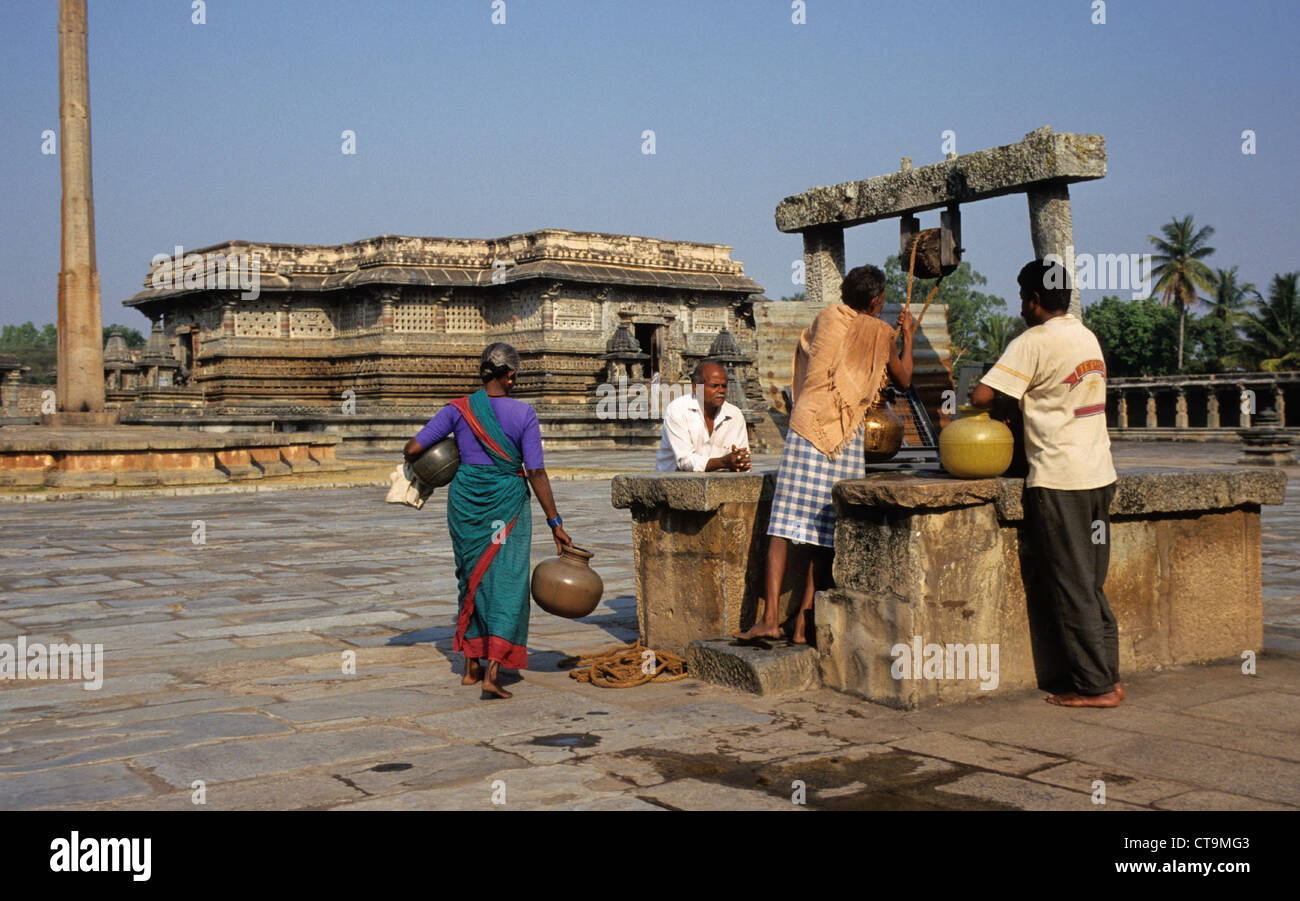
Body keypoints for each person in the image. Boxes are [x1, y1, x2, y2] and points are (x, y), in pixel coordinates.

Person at [971, 259, 1123, 708]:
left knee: (1070, 585)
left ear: (1035, 301)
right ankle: (1108, 677)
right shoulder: (1086, 336)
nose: (1021, 307)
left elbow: (982, 395)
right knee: (1091, 584)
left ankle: (1094, 687)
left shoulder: (1033, 341)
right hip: (1100, 473)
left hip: (1061, 479)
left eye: (1022, 298)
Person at [736, 264, 914, 643]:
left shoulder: (826, 317)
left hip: (806, 426)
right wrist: (906, 338)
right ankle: (802, 622)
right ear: (877, 301)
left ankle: (770, 618)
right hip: (846, 434)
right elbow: (903, 379)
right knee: (825, 531)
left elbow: (805, 357)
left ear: (844, 294)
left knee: (782, 527)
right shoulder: (881, 333)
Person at [404, 343, 573, 700]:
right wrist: (554, 521)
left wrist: (446, 455)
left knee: (471, 577)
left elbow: (413, 449)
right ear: (510, 375)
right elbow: (536, 471)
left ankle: (470, 665)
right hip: (506, 505)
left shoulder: (459, 409)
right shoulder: (523, 414)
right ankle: (493, 672)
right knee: (507, 583)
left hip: (466, 504)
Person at [655, 360, 751, 472]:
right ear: (697, 388)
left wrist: (740, 462)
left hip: (719, 481)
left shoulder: (735, 415)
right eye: (714, 386)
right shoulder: (678, 410)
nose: (721, 391)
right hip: (674, 481)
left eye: (724, 386)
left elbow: (742, 456)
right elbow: (685, 462)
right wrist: (724, 462)